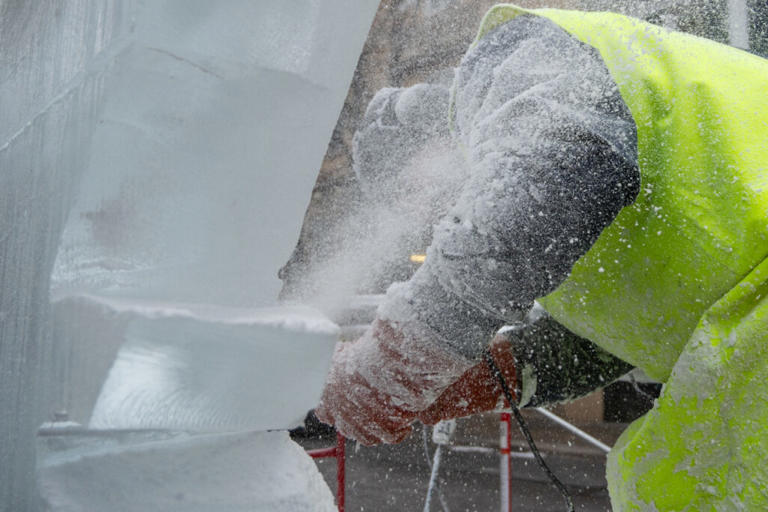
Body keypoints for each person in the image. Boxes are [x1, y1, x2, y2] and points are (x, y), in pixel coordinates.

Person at [315, 5, 768, 510]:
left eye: (421, 203)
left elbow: (549, 178)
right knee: (675, 482)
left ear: (425, 150)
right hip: (746, 331)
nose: (440, 222)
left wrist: (391, 369)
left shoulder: (513, 64)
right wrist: (496, 375)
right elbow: (617, 335)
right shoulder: (569, 214)